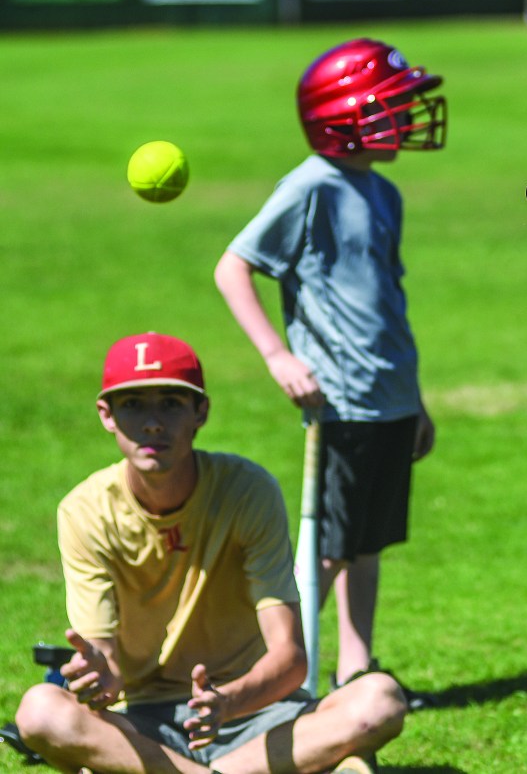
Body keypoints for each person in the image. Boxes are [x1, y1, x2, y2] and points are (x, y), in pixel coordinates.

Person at [14, 332, 406, 774]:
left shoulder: (248, 490)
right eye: (134, 405)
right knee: (40, 710)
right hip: (145, 722)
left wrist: (229, 701)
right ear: (107, 415)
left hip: (255, 711)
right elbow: (109, 669)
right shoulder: (84, 510)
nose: (153, 423)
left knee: (380, 698)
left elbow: (291, 657)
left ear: (201, 411)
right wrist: (100, 678)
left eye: (171, 404)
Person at [214, 38, 444, 697]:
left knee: (367, 541)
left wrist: (416, 398)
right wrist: (278, 355)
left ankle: (354, 668)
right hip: (341, 398)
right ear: (344, 116)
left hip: (388, 394)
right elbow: (234, 267)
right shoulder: (310, 185)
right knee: (329, 545)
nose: (405, 120)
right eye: (392, 108)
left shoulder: (384, 192)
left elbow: (388, 305)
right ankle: (269, 671)